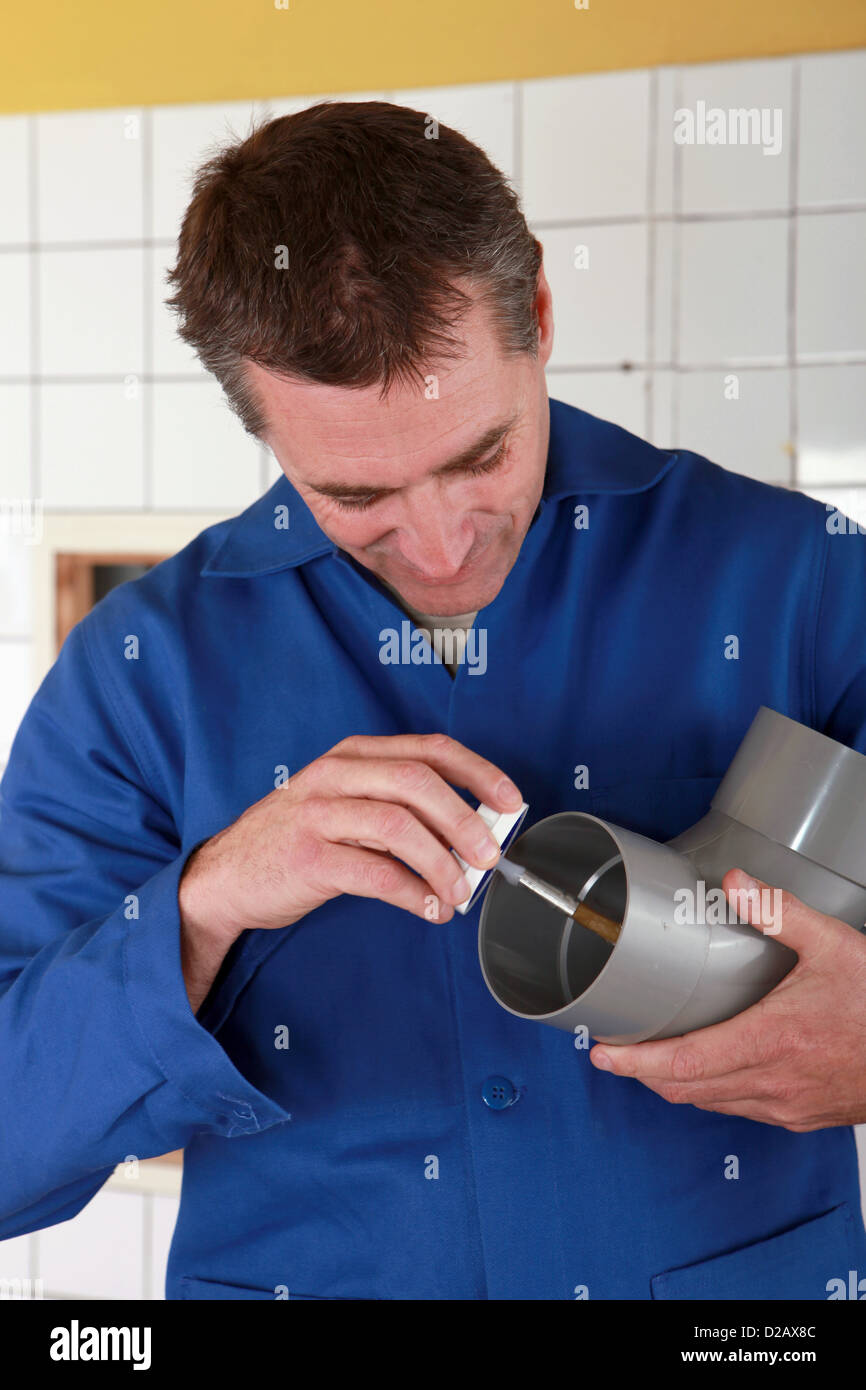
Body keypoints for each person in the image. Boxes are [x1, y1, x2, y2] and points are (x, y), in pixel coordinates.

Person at [1, 101, 865, 1301]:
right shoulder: (135, 678)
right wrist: (202, 907)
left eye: (478, 456)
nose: (444, 544)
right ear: (263, 429)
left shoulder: (799, 579)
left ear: (541, 321)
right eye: (357, 493)